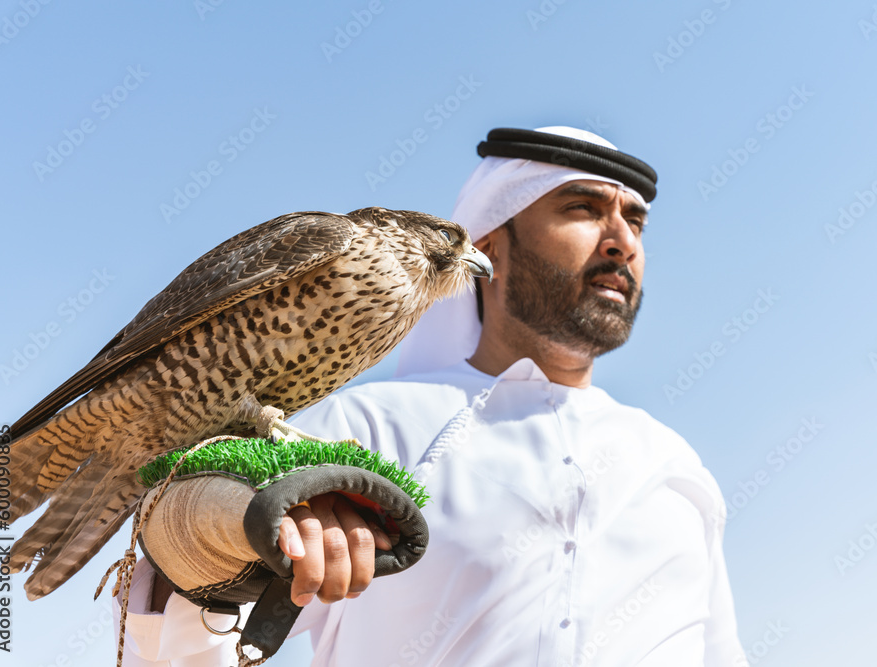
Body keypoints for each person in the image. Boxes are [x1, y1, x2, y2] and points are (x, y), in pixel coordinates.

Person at [114, 126, 746, 666]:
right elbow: (176, 650)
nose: (622, 241)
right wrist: (210, 551)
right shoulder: (363, 426)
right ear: (489, 243)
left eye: (635, 220)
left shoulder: (675, 462)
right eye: (582, 209)